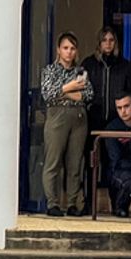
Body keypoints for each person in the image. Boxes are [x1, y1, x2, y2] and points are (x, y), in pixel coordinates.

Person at [41, 32, 93, 217]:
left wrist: (63, 91)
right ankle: (52, 202)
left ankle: (73, 203)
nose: (69, 52)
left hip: (78, 117)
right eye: (65, 48)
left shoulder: (81, 72)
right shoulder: (50, 70)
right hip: (57, 116)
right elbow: (48, 94)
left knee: (75, 163)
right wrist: (71, 87)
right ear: (58, 50)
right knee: (53, 161)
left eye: (72, 48)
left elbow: (86, 95)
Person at [80, 27, 131, 134]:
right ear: (99, 43)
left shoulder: (125, 66)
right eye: (104, 40)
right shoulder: (89, 64)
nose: (108, 43)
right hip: (93, 117)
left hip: (117, 117)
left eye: (111, 40)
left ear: (115, 43)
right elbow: (80, 89)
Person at [103, 92, 131, 218]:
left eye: (126, 106)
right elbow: (114, 158)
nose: (123, 111)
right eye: (119, 108)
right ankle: (119, 208)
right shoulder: (112, 128)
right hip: (118, 170)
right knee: (129, 180)